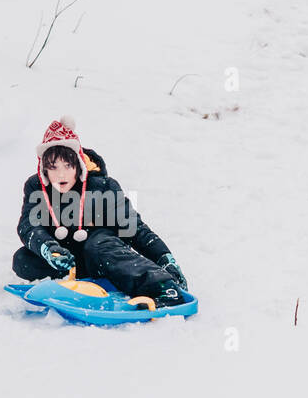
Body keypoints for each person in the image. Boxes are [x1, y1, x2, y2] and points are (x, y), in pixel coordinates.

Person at [12, 116, 188, 308]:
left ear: (78, 165)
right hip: (68, 260)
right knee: (23, 259)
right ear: (44, 169)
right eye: (53, 168)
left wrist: (164, 258)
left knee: (97, 244)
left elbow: (134, 228)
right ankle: (78, 281)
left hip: (102, 253)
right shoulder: (36, 187)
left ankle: (160, 286)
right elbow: (29, 225)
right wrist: (49, 248)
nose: (61, 174)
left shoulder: (103, 186)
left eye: (67, 166)